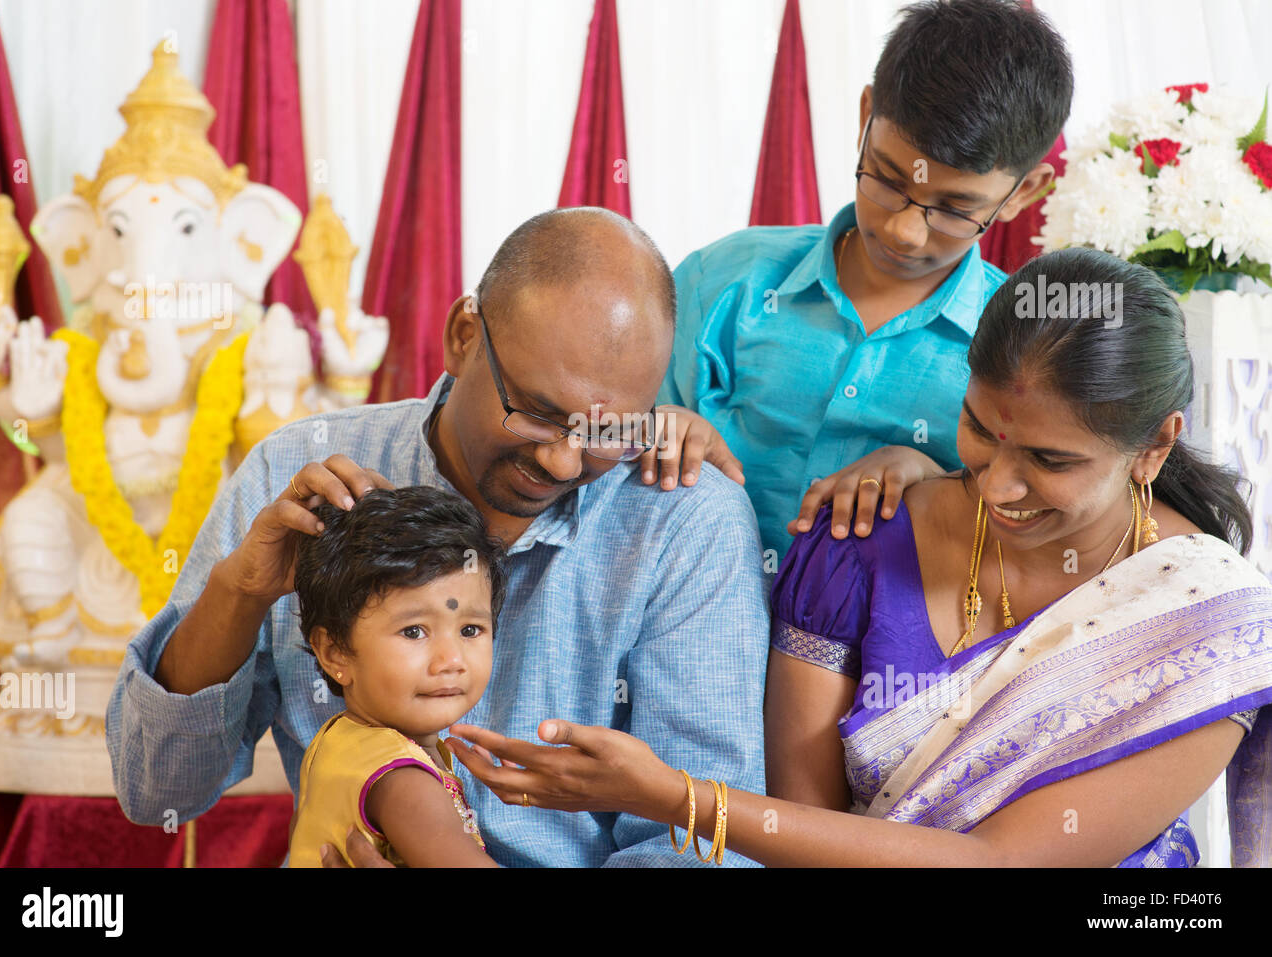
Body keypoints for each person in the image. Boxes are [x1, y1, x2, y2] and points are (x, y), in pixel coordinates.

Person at [432, 249, 1272, 867]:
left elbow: (1001, 865)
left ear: (1155, 447)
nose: (1000, 485)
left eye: (1051, 463)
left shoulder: (1209, 622)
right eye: (980, 430)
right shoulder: (854, 542)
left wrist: (669, 796)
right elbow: (804, 825)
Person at [106, 207, 770, 867]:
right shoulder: (295, 474)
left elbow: (700, 850)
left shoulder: (686, 523)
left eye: (609, 431)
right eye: (537, 414)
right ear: (462, 336)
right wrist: (241, 591)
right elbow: (156, 788)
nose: (565, 462)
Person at [657, 0, 1073, 560]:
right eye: (886, 178)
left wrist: (936, 485)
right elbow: (596, 442)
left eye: (954, 208)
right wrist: (656, 429)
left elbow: (1036, 543)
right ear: (865, 116)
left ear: (1023, 192)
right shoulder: (724, 282)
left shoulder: (1025, 348)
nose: (904, 231)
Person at [287, 487, 504, 867]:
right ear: (334, 650)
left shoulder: (338, 739)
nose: (450, 660)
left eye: (470, 630)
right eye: (414, 632)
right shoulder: (402, 778)